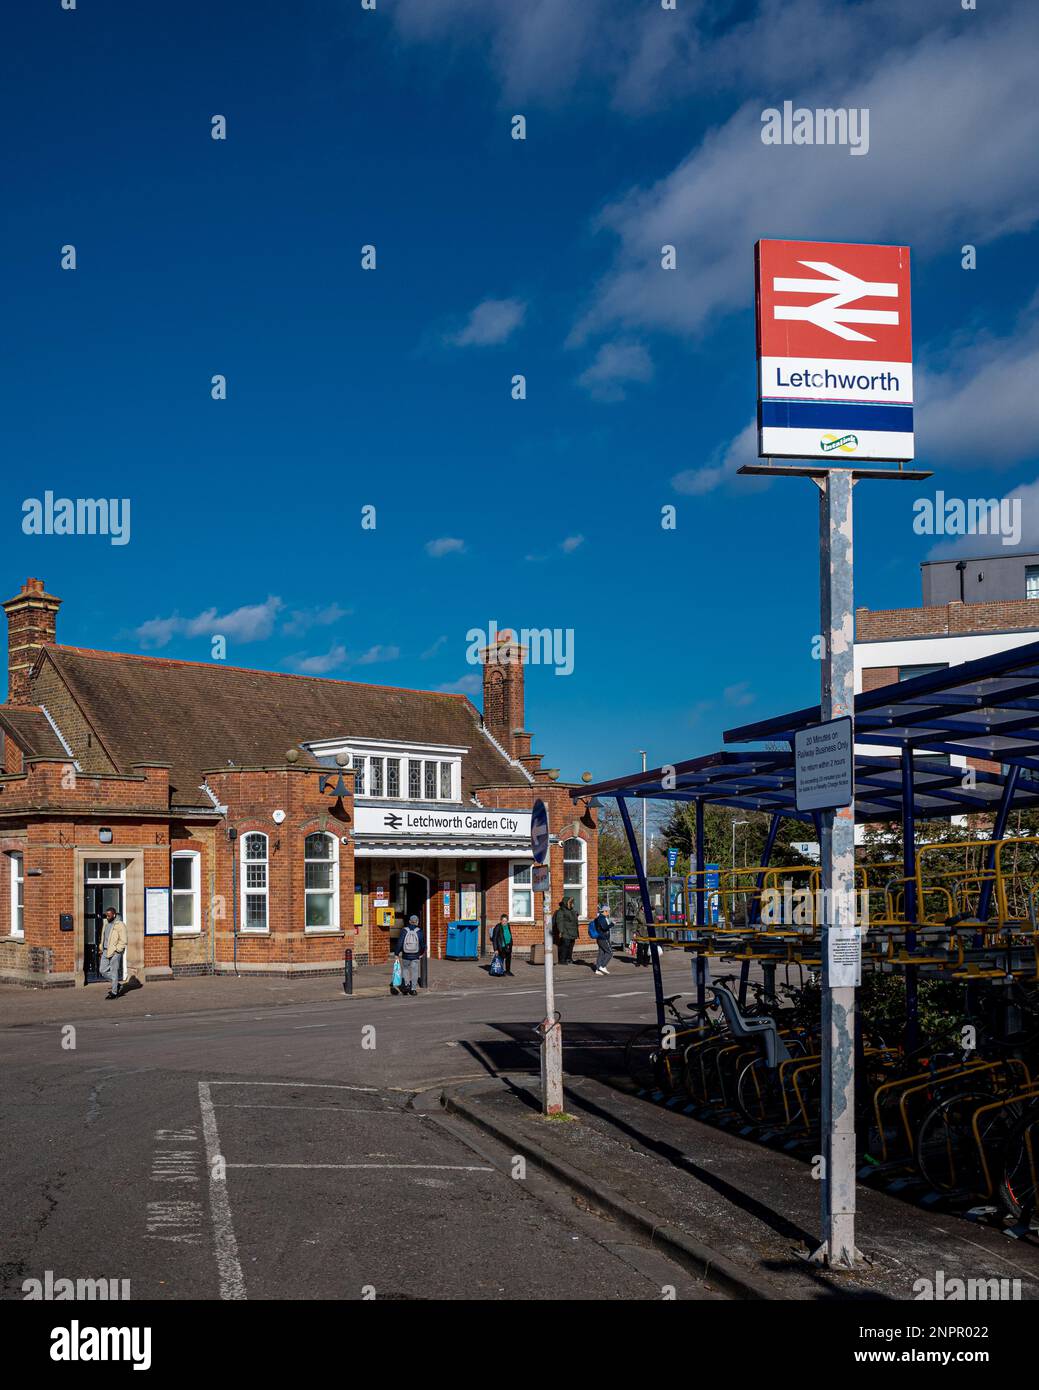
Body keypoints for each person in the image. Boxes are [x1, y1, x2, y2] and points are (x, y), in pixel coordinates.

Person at [99, 906, 127, 1000]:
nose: (107, 917)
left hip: (115, 952)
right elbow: (104, 937)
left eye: (109, 915)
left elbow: (124, 940)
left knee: (114, 972)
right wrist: (101, 947)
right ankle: (117, 984)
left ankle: (114, 993)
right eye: (106, 915)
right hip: (105, 950)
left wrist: (117, 950)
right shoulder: (106, 923)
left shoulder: (120, 925)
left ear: (114, 915)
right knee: (102, 970)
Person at [395, 914, 424, 997]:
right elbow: (422, 944)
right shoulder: (419, 931)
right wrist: (421, 953)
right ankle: (413, 989)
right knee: (415, 971)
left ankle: (407, 985)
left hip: (406, 954)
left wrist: (396, 953)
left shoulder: (404, 930)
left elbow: (400, 942)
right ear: (417, 922)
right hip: (415, 954)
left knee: (405, 969)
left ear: (409, 922)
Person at [553, 896, 578, 965]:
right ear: (566, 903)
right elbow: (559, 921)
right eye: (570, 903)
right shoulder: (561, 911)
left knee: (571, 946)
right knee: (565, 946)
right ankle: (562, 960)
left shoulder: (571, 910)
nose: (572, 904)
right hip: (566, 932)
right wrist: (561, 931)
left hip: (573, 932)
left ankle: (569, 958)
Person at [591, 903, 614, 976]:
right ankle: (603, 966)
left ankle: (598, 969)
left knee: (601, 953)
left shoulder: (600, 917)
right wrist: (612, 924)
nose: (609, 912)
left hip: (600, 938)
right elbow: (604, 927)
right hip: (603, 938)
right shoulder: (602, 918)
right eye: (608, 911)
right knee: (610, 952)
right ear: (605, 911)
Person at [631, 894, 651, 967]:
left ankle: (646, 962)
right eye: (643, 906)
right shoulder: (639, 913)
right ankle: (639, 961)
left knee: (647, 949)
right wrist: (634, 932)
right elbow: (635, 923)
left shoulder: (650, 913)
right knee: (640, 949)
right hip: (640, 933)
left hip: (648, 933)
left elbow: (655, 921)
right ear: (642, 907)